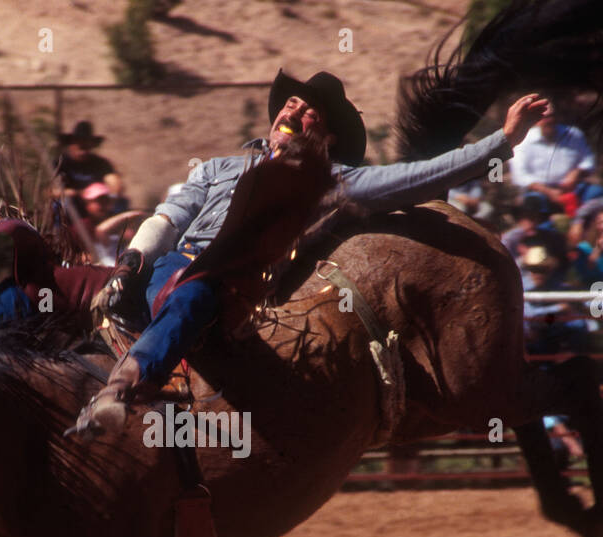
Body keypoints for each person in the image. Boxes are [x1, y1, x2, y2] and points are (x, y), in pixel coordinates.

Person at [69, 71, 553, 435]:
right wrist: (131, 262)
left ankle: (120, 388)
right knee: (37, 288)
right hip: (175, 263)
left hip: (233, 282)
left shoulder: (336, 181)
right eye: (291, 106)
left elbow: (422, 175)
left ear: (327, 137)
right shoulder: (217, 168)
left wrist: (503, 141)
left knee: (192, 297)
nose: (293, 114)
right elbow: (170, 217)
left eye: (309, 115)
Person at [508, 110, 602, 216]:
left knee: (597, 192)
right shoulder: (524, 140)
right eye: (544, 117)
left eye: (551, 116)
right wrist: (548, 192)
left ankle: (585, 226)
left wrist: (577, 172)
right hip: (541, 191)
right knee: (533, 203)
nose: (549, 120)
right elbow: (519, 175)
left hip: (573, 187)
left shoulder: (573, 134)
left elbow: (588, 159)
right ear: (536, 120)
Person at [53, 121, 125, 210]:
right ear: (71, 144)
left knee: (120, 204)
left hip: (96, 203)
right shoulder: (60, 163)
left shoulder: (101, 163)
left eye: (86, 142)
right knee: (62, 204)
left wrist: (112, 197)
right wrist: (79, 193)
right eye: (78, 142)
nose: (82, 146)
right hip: (72, 204)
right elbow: (49, 191)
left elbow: (113, 181)